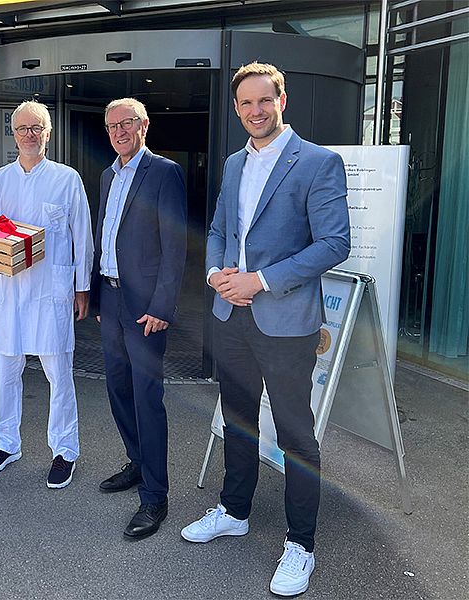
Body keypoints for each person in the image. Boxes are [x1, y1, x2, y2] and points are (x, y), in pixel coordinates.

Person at [181, 63, 350, 596]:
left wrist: (261, 280)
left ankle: (301, 545)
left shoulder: (318, 162)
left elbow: (333, 244)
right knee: (237, 419)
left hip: (284, 320)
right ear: (236, 110)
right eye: (246, 104)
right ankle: (234, 510)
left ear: (282, 99)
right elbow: (217, 230)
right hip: (231, 316)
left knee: (296, 435)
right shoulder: (233, 164)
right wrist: (214, 275)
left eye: (264, 101)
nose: (256, 111)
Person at [0, 100, 93, 489]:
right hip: (8, 292)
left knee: (58, 374)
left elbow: (83, 238)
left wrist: (81, 288)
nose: (29, 134)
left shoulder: (66, 179)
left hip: (51, 291)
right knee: (7, 371)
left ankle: (65, 450)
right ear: (13, 134)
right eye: (23, 128)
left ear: (48, 133)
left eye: (37, 128)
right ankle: (6, 443)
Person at [89, 98, 187, 539]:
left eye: (126, 123)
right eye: (112, 126)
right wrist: (94, 297)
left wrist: (163, 307)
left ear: (144, 125)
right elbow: (104, 236)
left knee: (148, 397)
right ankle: (137, 460)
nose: (118, 131)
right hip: (110, 300)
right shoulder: (109, 175)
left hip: (145, 306)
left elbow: (175, 246)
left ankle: (155, 495)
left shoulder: (164, 172)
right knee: (117, 387)